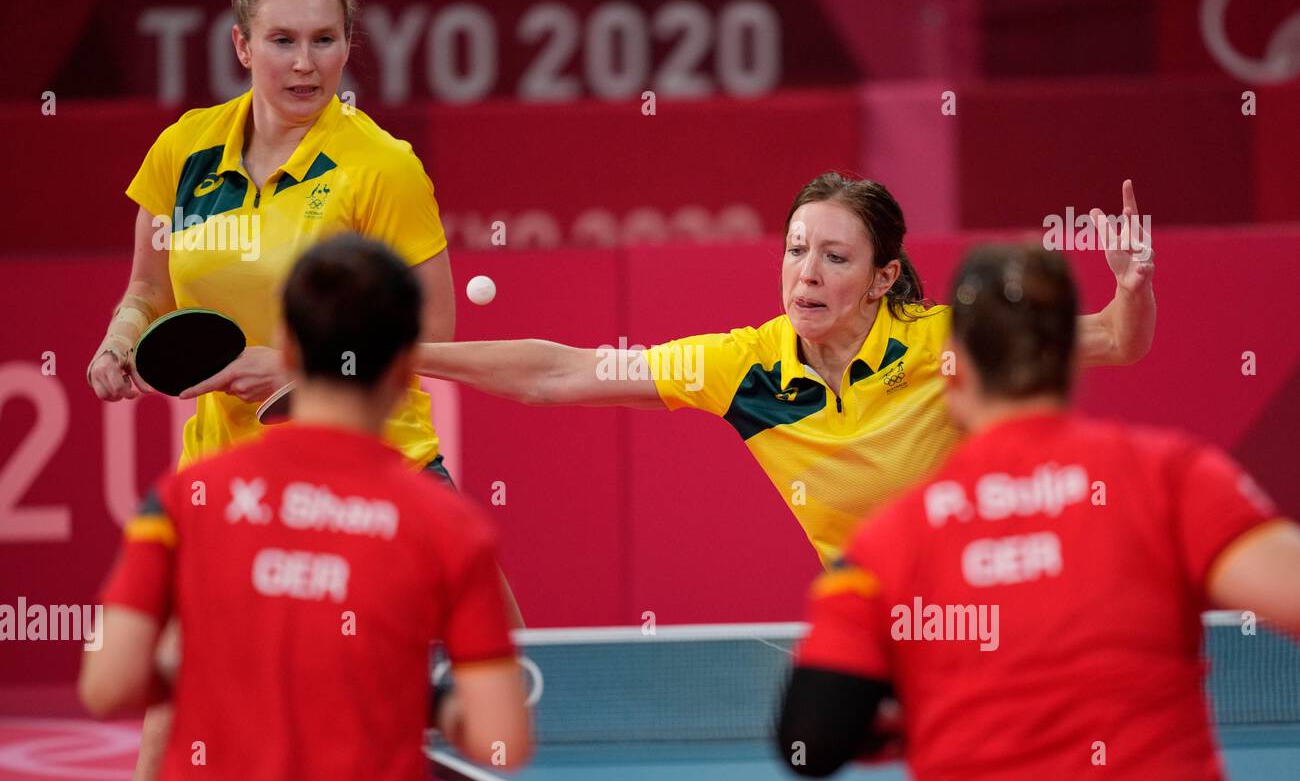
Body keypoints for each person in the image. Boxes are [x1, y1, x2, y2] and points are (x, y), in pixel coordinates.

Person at [83, 0, 521, 781]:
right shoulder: (184, 150)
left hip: (380, 454)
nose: (304, 63)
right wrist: (116, 339)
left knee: (516, 659)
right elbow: (146, 291)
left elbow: (431, 327)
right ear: (242, 44)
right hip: (227, 467)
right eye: (282, 41)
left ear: (350, 45)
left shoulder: (382, 167)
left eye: (325, 40)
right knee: (177, 690)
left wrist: (288, 367)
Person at [410, 172, 1157, 569]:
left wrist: (1132, 286)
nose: (807, 273)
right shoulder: (744, 366)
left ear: (881, 277)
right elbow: (560, 373)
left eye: (835, 258)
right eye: (797, 249)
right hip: (871, 614)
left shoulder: (941, 341)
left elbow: (1119, 344)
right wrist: (395, 354)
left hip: (986, 588)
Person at [777, 243, 1300, 781]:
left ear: (953, 371)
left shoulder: (889, 540)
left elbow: (811, 742)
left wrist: (903, 723)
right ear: (1070, 359)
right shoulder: (1170, 476)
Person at [79, 235, 531, 781]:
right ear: (405, 364)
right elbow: (503, 735)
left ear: (286, 348)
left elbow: (107, 683)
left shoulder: (184, 501)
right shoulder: (447, 526)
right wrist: (413, 695)